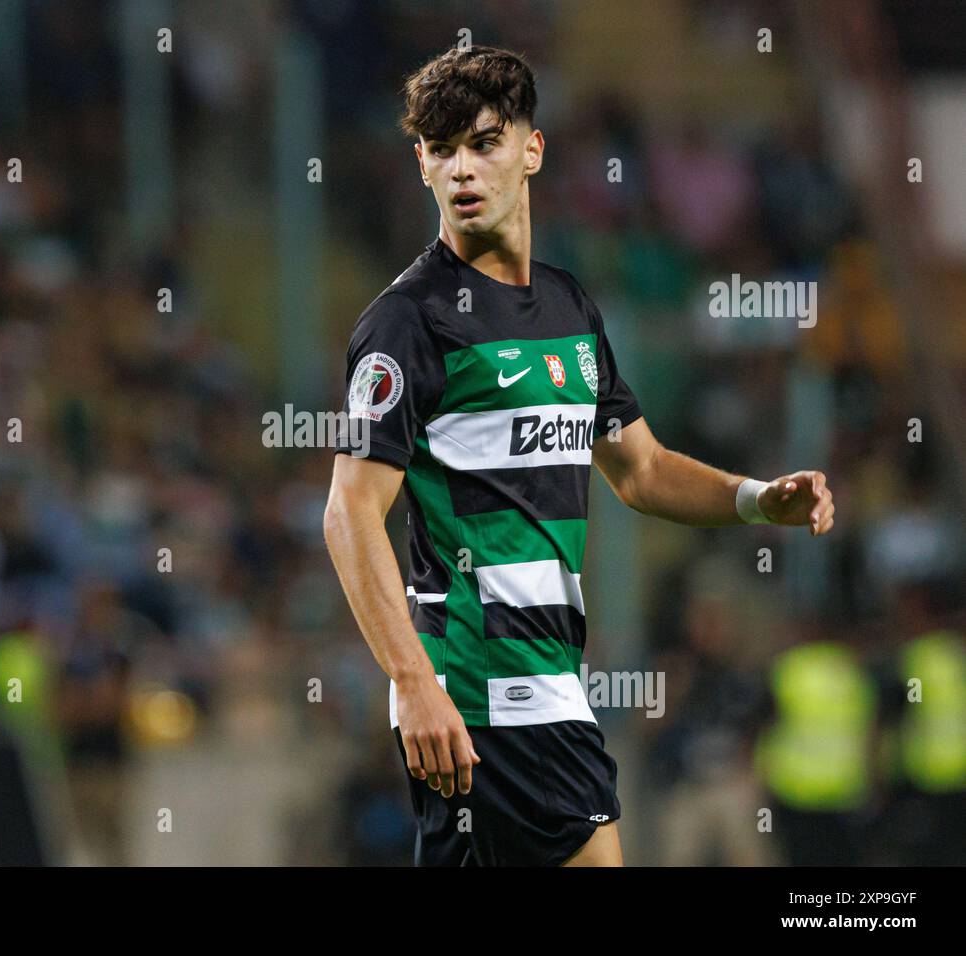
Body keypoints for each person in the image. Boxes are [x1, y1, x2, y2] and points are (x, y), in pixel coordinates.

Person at [322, 45, 835, 867]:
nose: (463, 169)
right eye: (442, 149)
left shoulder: (568, 306)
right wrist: (415, 682)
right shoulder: (408, 322)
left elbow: (641, 469)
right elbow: (349, 513)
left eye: (484, 143)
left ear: (532, 149)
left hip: (552, 683)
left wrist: (753, 497)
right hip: (480, 684)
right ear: (420, 163)